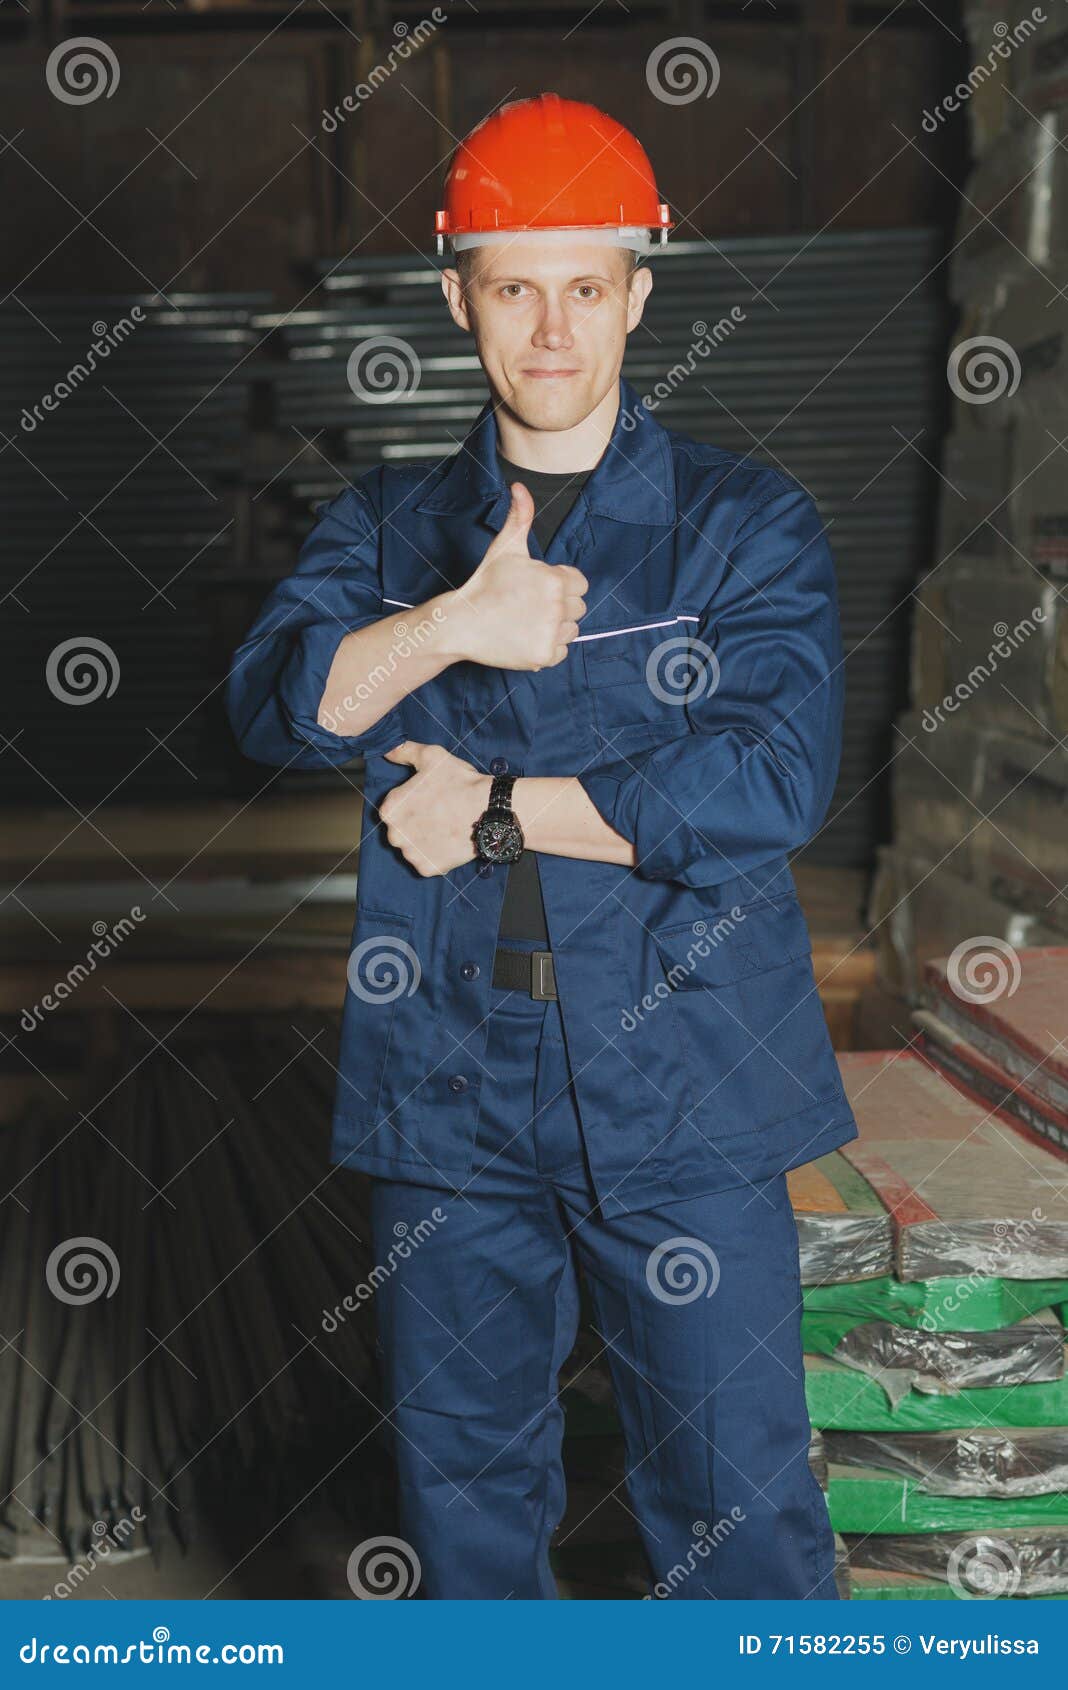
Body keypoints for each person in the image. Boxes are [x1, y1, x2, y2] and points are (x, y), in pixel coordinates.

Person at [225, 92, 859, 1600]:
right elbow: (273, 703)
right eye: (514, 285)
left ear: (642, 290)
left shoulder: (741, 524)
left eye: (588, 285)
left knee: (737, 1508)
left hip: (685, 1085)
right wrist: (451, 622)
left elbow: (773, 778)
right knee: (467, 1507)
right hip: (448, 1090)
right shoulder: (386, 532)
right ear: (459, 298)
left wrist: (501, 810)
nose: (553, 328)